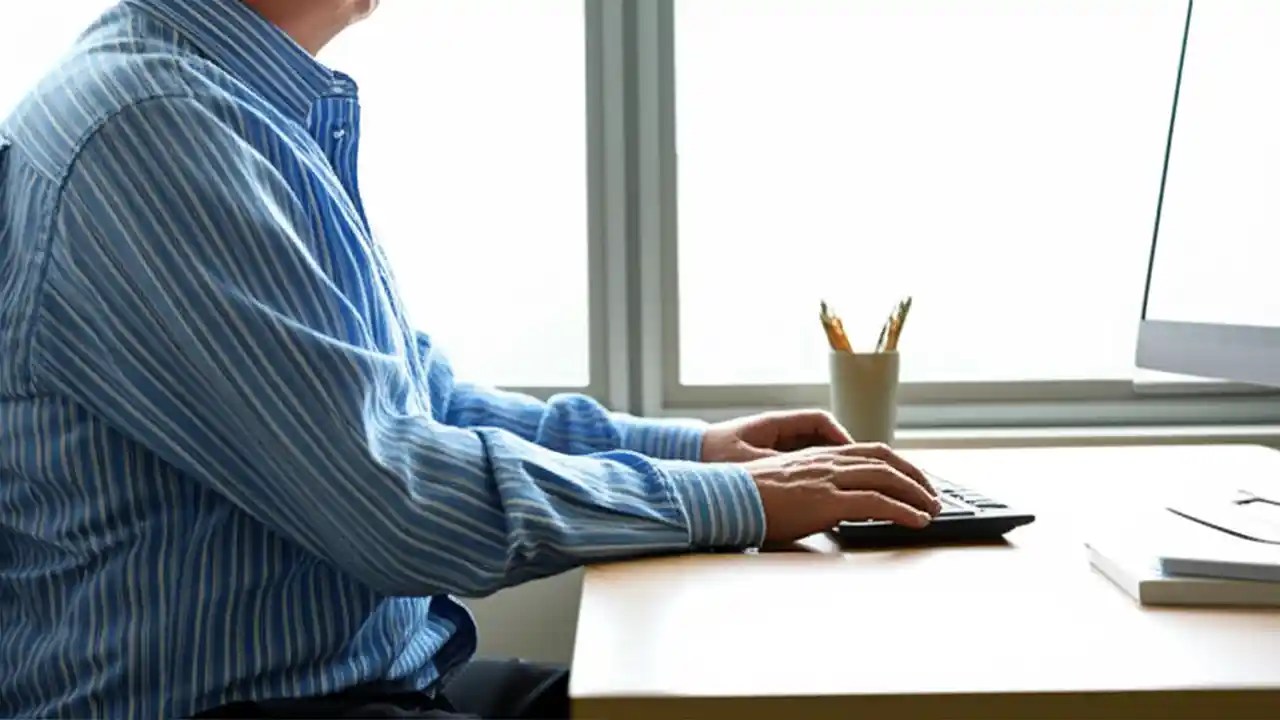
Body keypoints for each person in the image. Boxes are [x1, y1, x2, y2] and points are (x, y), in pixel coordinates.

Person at [0, 0, 941, 717]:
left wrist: (695, 450)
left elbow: (422, 406)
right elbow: (395, 502)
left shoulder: (220, 107)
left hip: (343, 684)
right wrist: (733, 503)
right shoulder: (155, 131)